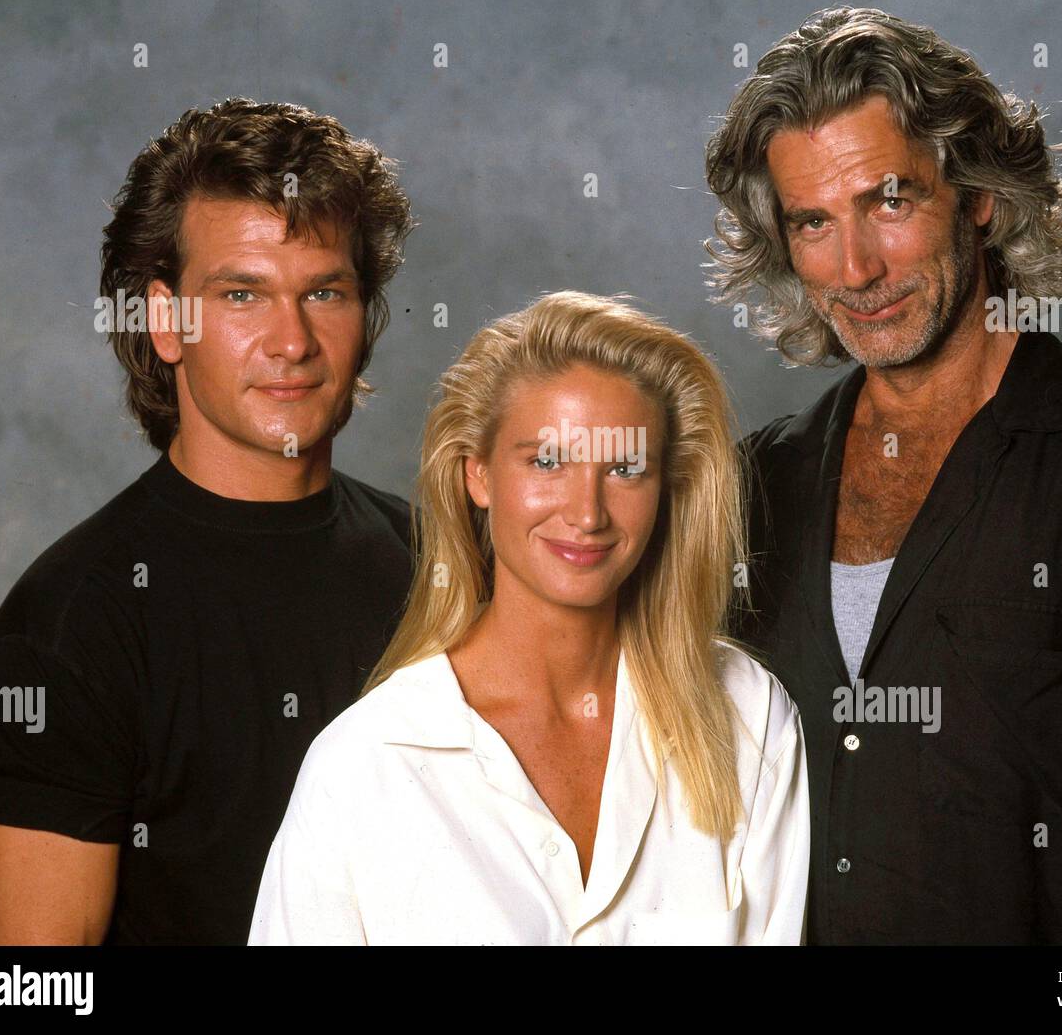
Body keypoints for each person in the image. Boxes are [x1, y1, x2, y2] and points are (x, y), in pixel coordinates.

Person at [705, 6, 1062, 944]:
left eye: (889, 200)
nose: (858, 268)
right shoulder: (756, 489)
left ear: (980, 193)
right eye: (815, 223)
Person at [0, 99, 417, 944]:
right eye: (242, 293)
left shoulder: (441, 566)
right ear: (165, 321)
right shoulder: (70, 625)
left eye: (325, 291)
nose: (292, 340)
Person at [249, 291, 810, 945]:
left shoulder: (747, 716)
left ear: (668, 489)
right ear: (479, 474)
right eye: (547, 461)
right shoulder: (362, 770)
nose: (587, 512)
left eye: (626, 468)